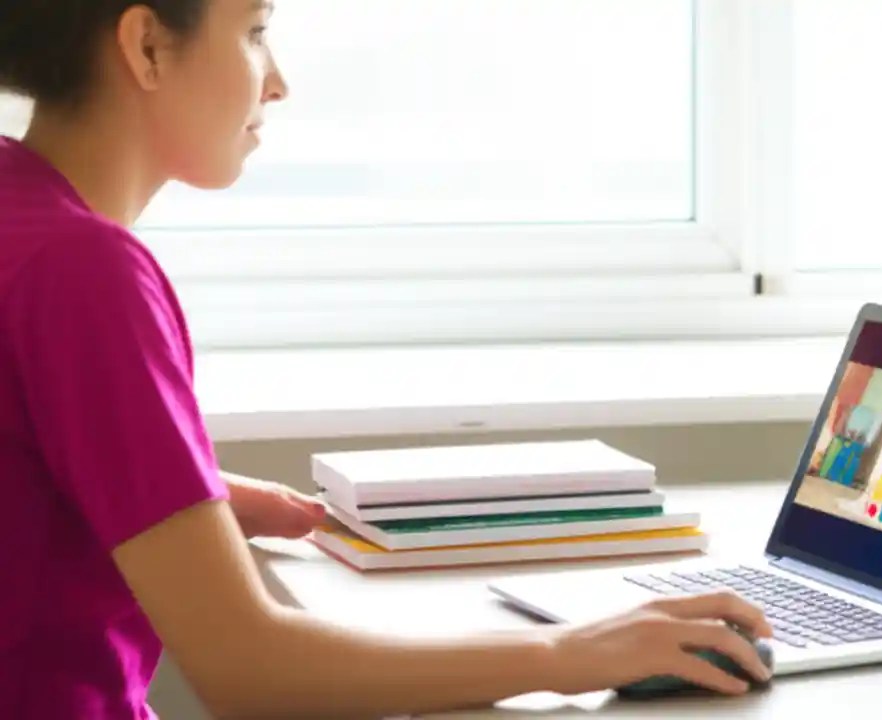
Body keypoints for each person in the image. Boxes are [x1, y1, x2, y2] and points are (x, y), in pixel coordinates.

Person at [0, 1, 772, 717]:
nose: (278, 83)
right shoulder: (85, 271)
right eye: (255, 31)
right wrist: (566, 652)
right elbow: (245, 665)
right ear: (146, 46)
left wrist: (197, 496)